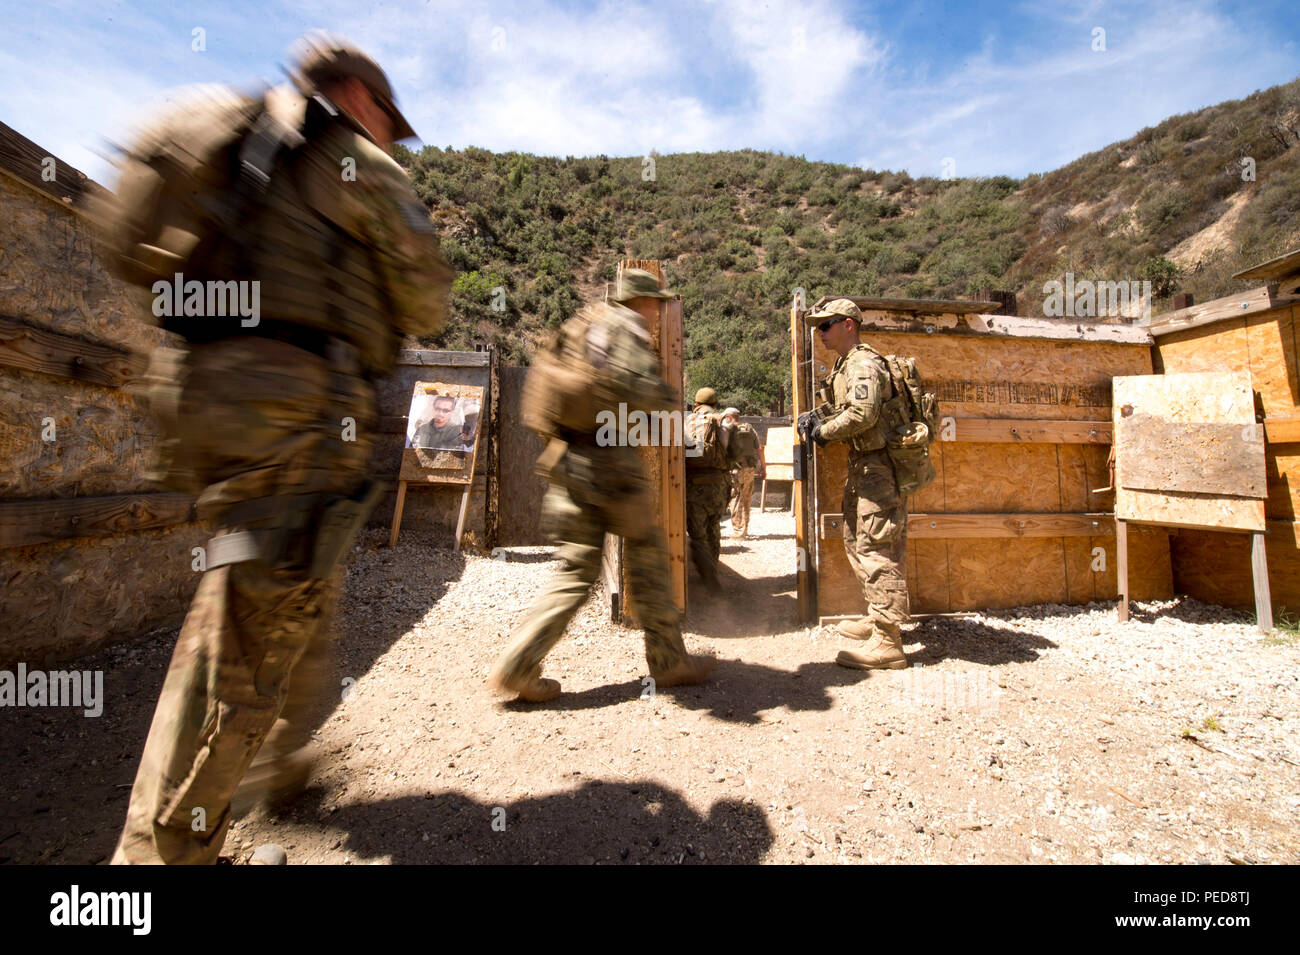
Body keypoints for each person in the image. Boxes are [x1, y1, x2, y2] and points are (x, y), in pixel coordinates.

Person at [110, 32, 454, 864]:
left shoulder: (240, 149)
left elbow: (133, 249)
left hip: (208, 399)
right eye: (382, 113)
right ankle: (156, 860)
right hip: (293, 411)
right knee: (257, 628)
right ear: (356, 96)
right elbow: (430, 298)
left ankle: (282, 767)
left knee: (278, 584)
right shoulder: (346, 159)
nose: (385, 131)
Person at [489, 269, 715, 702]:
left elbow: (587, 395)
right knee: (649, 558)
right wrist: (666, 400)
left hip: (567, 458)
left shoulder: (583, 325)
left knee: (575, 571)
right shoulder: (624, 328)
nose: (657, 311)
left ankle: (517, 664)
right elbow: (635, 386)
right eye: (656, 303)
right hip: (609, 465)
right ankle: (668, 663)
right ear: (641, 302)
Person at [798, 299, 911, 670]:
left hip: (878, 467)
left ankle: (888, 641)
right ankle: (877, 615)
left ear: (848, 325)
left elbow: (862, 414)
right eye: (818, 327)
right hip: (864, 465)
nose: (820, 333)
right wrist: (815, 418)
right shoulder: (846, 365)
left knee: (876, 546)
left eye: (826, 325)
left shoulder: (863, 363)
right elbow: (848, 408)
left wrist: (823, 432)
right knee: (854, 539)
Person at [684, 387, 732, 590]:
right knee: (714, 527)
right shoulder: (722, 419)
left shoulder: (687, 421)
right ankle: (713, 568)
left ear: (695, 405)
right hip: (719, 484)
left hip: (695, 484)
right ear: (714, 404)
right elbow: (731, 450)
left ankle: (707, 575)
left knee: (697, 533)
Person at [723, 407, 763, 539]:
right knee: (746, 498)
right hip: (750, 468)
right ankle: (745, 528)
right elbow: (760, 449)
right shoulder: (749, 429)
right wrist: (764, 467)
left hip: (734, 470)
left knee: (735, 498)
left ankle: (739, 531)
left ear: (729, 416)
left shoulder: (727, 430)